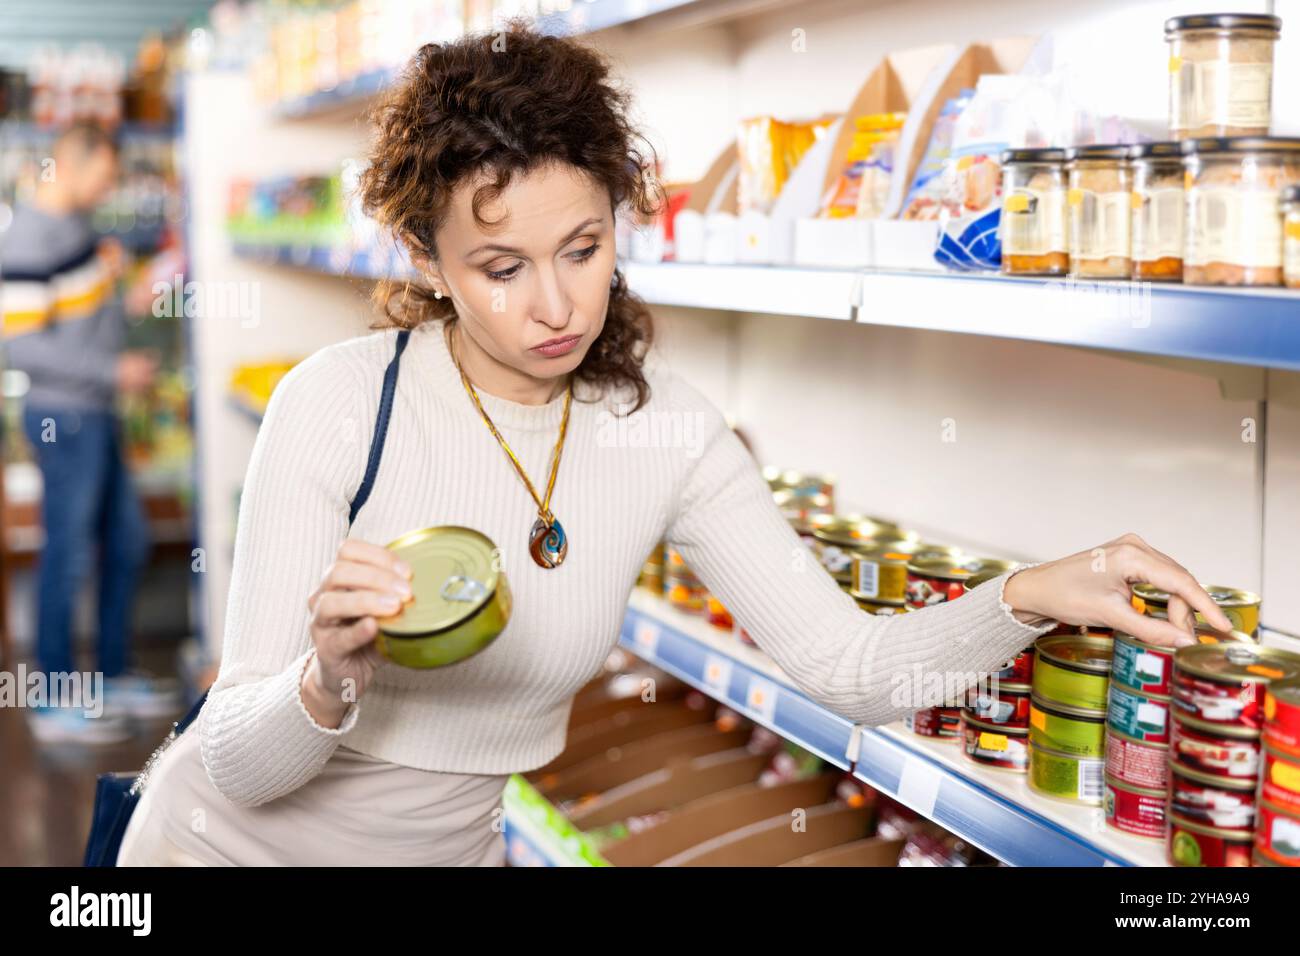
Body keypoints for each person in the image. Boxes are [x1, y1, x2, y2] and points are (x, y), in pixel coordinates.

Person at [115, 23, 1232, 866]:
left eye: (584, 246)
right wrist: (326, 674)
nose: (555, 303)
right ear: (425, 257)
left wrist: (1040, 590)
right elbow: (235, 763)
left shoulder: (666, 432)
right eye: (502, 269)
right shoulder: (337, 403)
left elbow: (851, 667)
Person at [0, 121, 180, 745]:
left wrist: (131, 296)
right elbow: (21, 345)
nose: (108, 190)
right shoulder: (27, 235)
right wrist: (112, 368)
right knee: (68, 553)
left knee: (126, 542)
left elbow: (80, 313)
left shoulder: (76, 229)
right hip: (65, 418)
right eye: (104, 176)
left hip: (95, 412)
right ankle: (51, 700)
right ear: (72, 165)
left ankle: (107, 675)